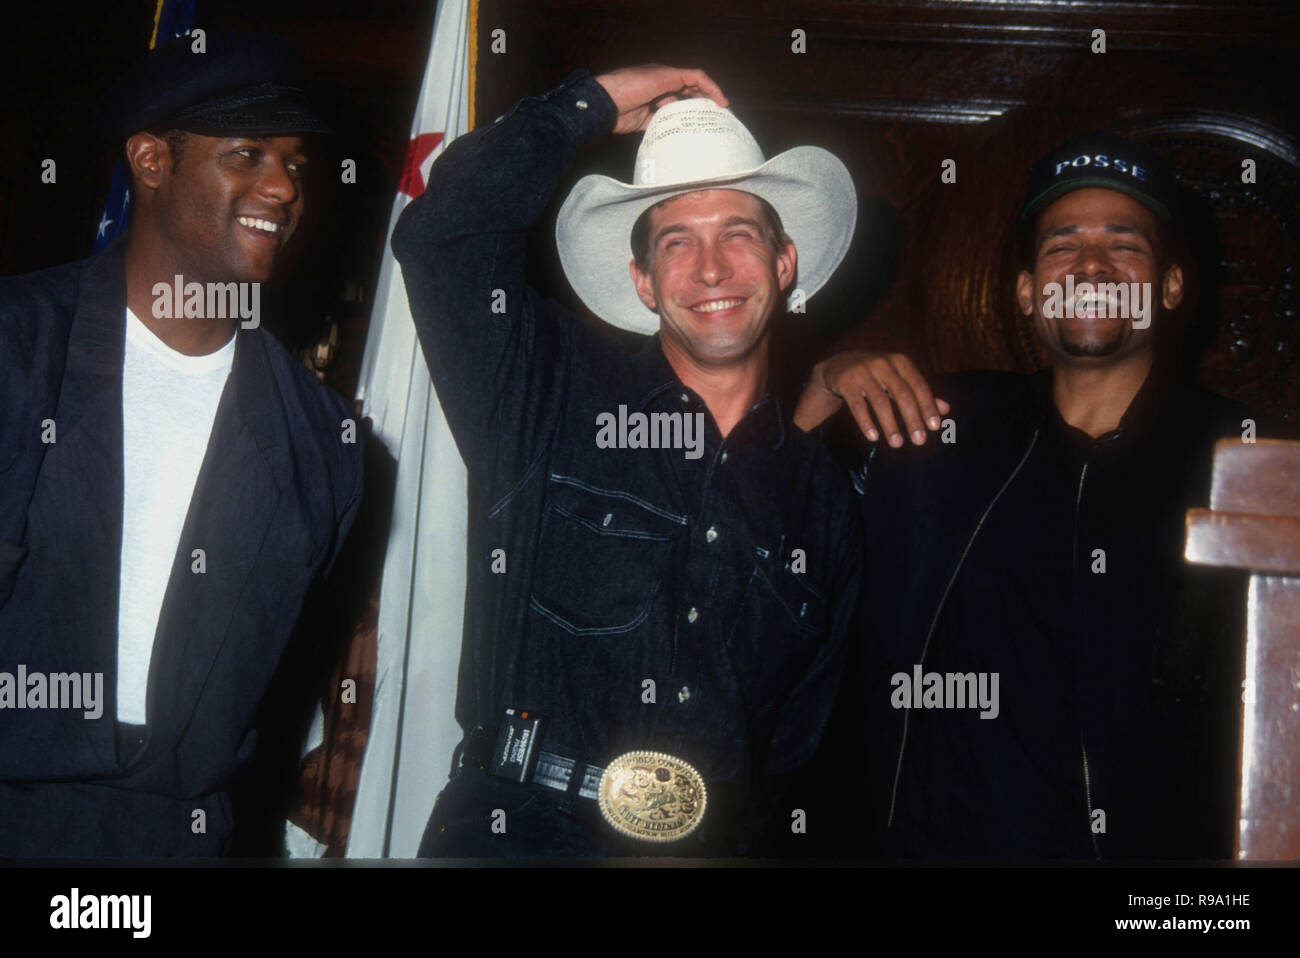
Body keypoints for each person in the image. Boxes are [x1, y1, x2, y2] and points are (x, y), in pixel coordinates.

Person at [392, 64, 865, 856]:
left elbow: (793, 747)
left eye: (738, 236)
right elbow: (442, 236)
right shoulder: (548, 388)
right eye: (678, 242)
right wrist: (590, 105)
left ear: (784, 265)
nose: (711, 270)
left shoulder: (823, 500)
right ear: (643, 281)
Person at [795, 133, 1259, 859]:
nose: (1093, 265)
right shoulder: (936, 422)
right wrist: (823, 390)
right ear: (1026, 291)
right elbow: (771, 539)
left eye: (1125, 244)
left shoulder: (1246, 463)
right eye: (1062, 245)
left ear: (1171, 286)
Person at [0, 32, 363, 857]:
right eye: (248, 153)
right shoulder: (18, 349)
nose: (283, 187)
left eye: (297, 162)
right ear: (151, 161)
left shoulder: (322, 439)